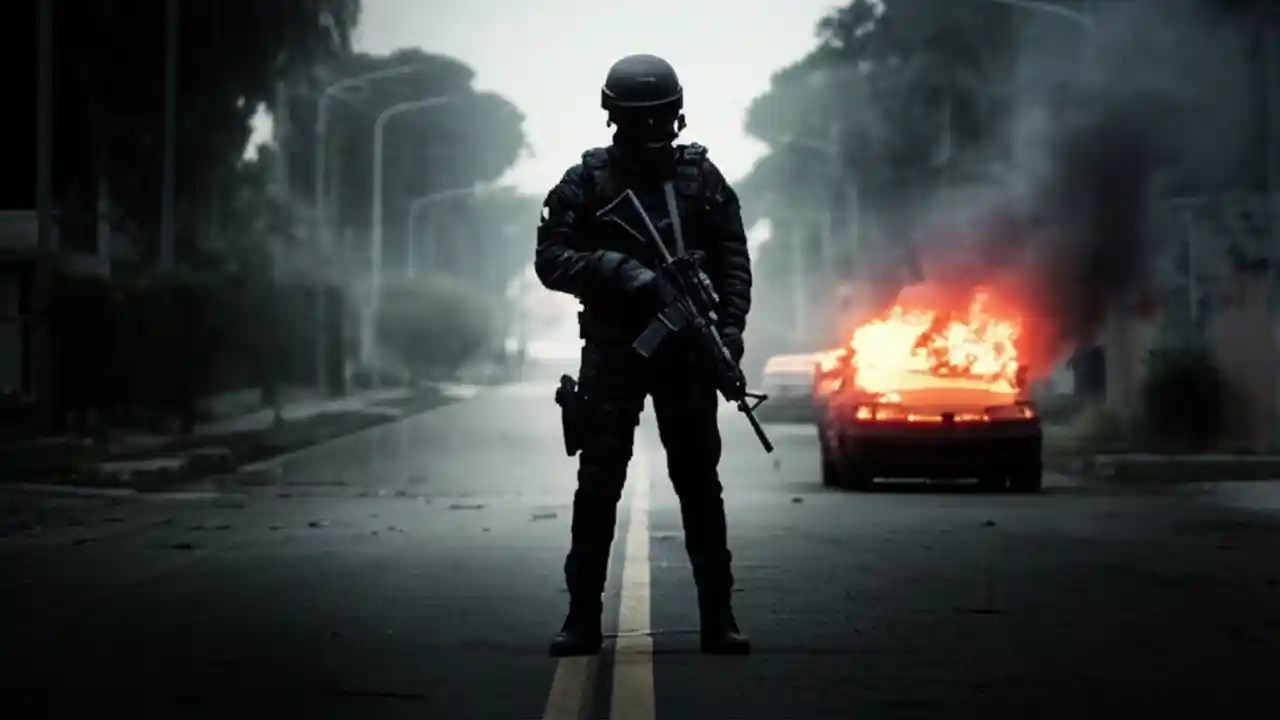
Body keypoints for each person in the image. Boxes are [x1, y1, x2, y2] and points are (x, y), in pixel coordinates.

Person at [535, 54, 753, 656]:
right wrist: (627, 276)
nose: (654, 132)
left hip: (686, 354)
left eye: (662, 119)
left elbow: (733, 261)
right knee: (599, 484)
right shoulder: (588, 182)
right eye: (641, 120)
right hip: (615, 350)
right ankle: (582, 618)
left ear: (677, 117)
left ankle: (718, 617)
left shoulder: (701, 180)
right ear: (615, 119)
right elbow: (552, 260)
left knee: (698, 485)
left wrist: (727, 335)